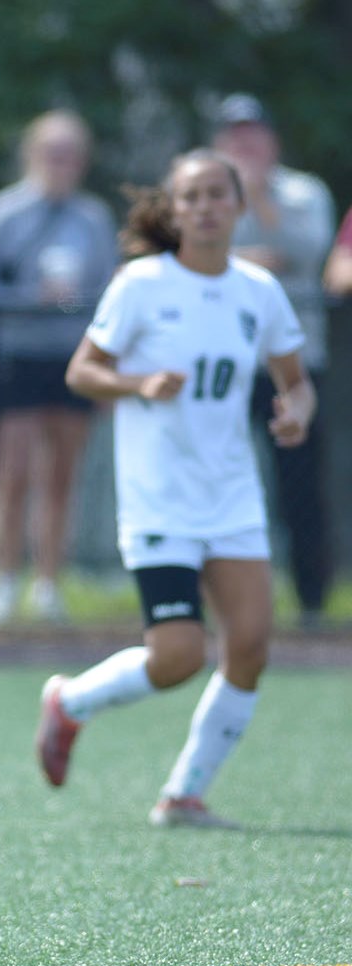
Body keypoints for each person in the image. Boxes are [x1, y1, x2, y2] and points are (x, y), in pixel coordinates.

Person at [35, 149, 314, 828]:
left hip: (231, 493)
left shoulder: (258, 290)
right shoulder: (141, 284)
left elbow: (295, 378)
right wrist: (137, 384)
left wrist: (297, 410)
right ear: (173, 209)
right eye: (190, 197)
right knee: (180, 656)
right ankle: (69, 704)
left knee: (249, 645)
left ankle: (183, 795)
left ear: (239, 206)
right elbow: (82, 372)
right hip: (159, 495)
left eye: (218, 194)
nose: (205, 207)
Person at [0, 111, 120, 626]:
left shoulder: (94, 219)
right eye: (51, 153)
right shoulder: (2, 214)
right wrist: (29, 298)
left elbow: (110, 292)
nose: (61, 164)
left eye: (70, 155)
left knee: (61, 474)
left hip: (72, 354)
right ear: (32, 156)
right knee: (11, 472)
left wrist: (77, 310)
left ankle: (49, 582)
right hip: (19, 353)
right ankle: (3, 580)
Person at [212, 93, 336, 629]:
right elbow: (187, 254)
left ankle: (310, 601)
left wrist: (259, 198)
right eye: (234, 135)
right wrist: (241, 257)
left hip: (293, 365)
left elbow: (311, 252)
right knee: (216, 480)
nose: (245, 144)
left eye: (253, 133)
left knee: (300, 485)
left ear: (272, 140)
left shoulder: (304, 191)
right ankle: (215, 601)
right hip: (224, 366)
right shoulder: (203, 192)